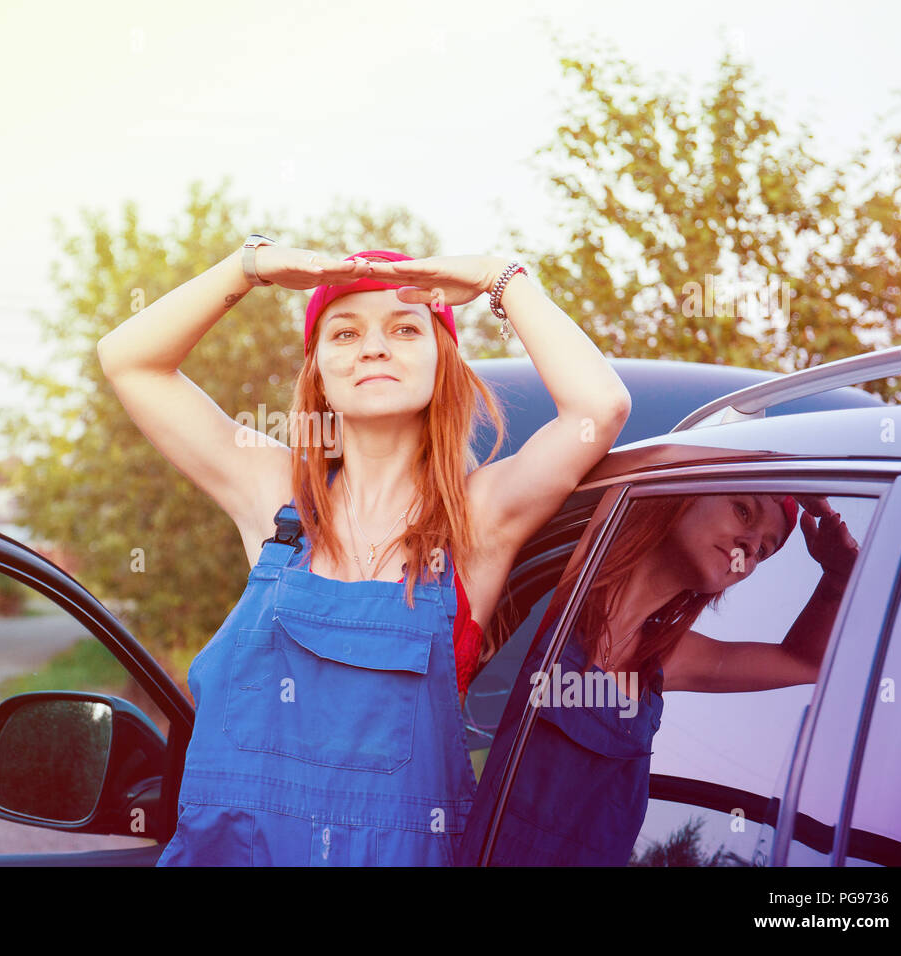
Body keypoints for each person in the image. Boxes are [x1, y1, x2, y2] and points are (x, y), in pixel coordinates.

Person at [97, 234, 632, 865]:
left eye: (406, 329)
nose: (373, 345)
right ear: (318, 369)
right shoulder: (273, 494)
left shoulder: (478, 520)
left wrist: (498, 276)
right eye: (344, 332)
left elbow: (600, 406)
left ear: (444, 359)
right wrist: (251, 267)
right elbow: (129, 360)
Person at [461, 491, 861, 865]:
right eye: (742, 509)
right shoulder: (570, 587)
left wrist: (837, 579)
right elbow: (629, 458)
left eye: (764, 548)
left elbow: (804, 662)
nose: (749, 546)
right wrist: (775, 464)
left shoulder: (665, 657)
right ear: (687, 494)